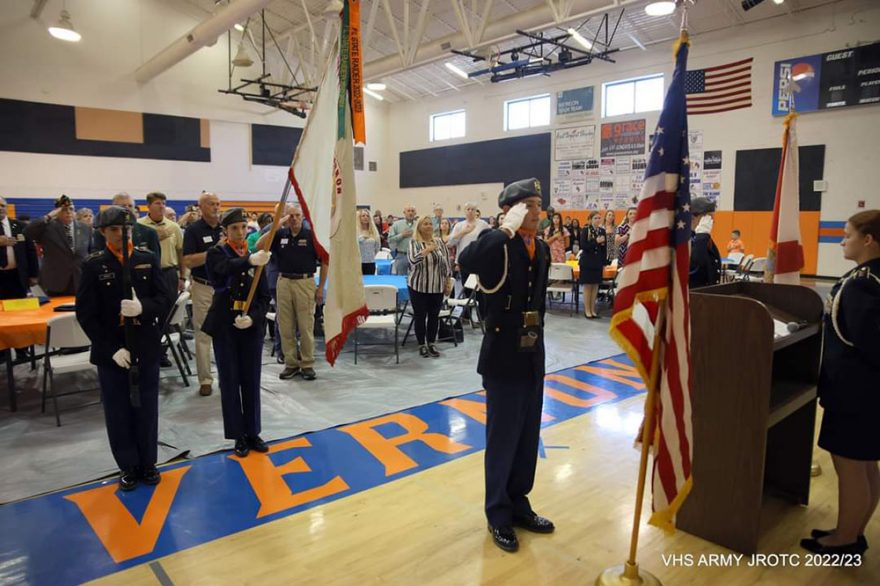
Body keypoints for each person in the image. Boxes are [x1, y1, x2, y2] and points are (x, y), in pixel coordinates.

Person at [458, 178, 554, 553]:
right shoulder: (499, 246)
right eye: (528, 204)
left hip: (533, 354)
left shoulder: (541, 249)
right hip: (503, 356)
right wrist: (504, 229)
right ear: (510, 210)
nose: (536, 211)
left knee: (528, 436)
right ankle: (498, 513)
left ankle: (519, 504)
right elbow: (466, 261)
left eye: (538, 204)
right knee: (502, 440)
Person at [799, 210, 880, 556]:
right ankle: (853, 529)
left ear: (868, 240)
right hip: (865, 390)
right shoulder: (868, 277)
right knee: (864, 464)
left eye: (847, 235)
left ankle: (845, 540)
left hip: (855, 390)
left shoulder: (864, 283)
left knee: (850, 465)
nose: (842, 240)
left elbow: (869, 341)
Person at [76, 206, 173, 491]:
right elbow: (87, 314)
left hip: (145, 344)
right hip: (113, 351)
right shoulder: (94, 265)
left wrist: (143, 307)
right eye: (115, 229)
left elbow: (164, 298)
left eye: (126, 229)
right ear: (104, 232)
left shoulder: (146, 258)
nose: (122, 234)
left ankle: (148, 462)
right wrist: (109, 350)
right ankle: (128, 466)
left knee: (146, 406)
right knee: (118, 410)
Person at [202, 208, 272, 458]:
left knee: (251, 379)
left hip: (249, 327)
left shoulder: (255, 256)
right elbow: (221, 271)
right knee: (230, 381)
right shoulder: (216, 253)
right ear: (225, 231)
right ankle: (238, 435)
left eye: (244, 227)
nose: (240, 232)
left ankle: (253, 431)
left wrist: (253, 318)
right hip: (226, 326)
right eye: (235, 228)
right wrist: (249, 262)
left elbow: (264, 297)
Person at [256, 205, 327, 381]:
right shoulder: (280, 235)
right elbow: (259, 245)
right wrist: (279, 223)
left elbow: (325, 261)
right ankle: (291, 364)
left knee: (305, 326)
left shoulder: (311, 236)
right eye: (290, 216)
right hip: (284, 282)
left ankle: (307, 364)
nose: (294, 219)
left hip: (305, 282)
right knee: (285, 325)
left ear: (302, 217)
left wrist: (320, 288)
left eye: (297, 215)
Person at [183, 191, 223, 396]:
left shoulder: (227, 227)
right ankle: (205, 380)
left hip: (225, 286)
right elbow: (188, 261)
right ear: (201, 207)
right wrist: (214, 251)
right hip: (203, 286)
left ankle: (228, 375)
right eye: (211, 204)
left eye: (218, 203)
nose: (216, 207)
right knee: (203, 333)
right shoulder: (193, 230)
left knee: (227, 333)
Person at [25, 195, 93, 295]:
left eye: (71, 209)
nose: (69, 212)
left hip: (80, 280)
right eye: (64, 209)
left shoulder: (85, 228)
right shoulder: (47, 227)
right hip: (55, 281)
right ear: (57, 212)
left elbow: (90, 252)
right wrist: (48, 216)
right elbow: (27, 231)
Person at [407, 215, 452, 358]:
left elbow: (446, 263)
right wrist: (427, 250)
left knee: (434, 316)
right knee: (420, 317)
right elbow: (413, 261)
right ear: (419, 227)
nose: (428, 226)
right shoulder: (414, 242)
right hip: (418, 286)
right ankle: (421, 344)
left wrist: (447, 281)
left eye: (430, 224)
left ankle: (431, 343)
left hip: (437, 286)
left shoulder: (439, 242)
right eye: (425, 224)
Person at [92, 193, 161, 259]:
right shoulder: (102, 232)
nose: (127, 209)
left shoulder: (149, 232)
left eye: (130, 206)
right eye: (123, 206)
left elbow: (155, 261)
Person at [0, 196, 39, 299]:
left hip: (17, 276)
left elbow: (30, 251)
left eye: (2, 206)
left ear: (7, 208)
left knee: (19, 309)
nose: (0, 208)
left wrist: (33, 275)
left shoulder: (20, 226)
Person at [579, 211, 607, 319]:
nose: (597, 220)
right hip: (587, 262)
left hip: (597, 262)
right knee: (588, 286)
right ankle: (587, 310)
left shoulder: (602, 231)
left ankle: (593, 309)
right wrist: (596, 241)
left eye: (599, 218)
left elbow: (604, 249)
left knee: (595, 286)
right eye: (595, 218)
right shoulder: (586, 230)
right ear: (590, 219)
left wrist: (604, 262)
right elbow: (583, 246)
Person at [689, 197, 721, 288]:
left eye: (712, 217)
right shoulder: (684, 240)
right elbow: (694, 266)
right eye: (708, 217)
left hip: (707, 295)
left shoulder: (704, 238)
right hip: (694, 295)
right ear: (692, 217)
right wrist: (701, 236)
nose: (712, 221)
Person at [387, 205, 417, 276]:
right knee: (401, 279)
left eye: (412, 211)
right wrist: (402, 235)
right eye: (408, 211)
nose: (410, 213)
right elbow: (390, 240)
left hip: (416, 256)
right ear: (404, 213)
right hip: (402, 256)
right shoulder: (396, 225)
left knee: (416, 279)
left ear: (415, 213)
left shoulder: (419, 225)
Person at [357, 209, 381, 275]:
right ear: (359, 218)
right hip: (357, 262)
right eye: (363, 216)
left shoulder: (374, 232)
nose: (365, 217)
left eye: (367, 216)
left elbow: (377, 247)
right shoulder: (355, 231)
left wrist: (371, 255)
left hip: (370, 262)